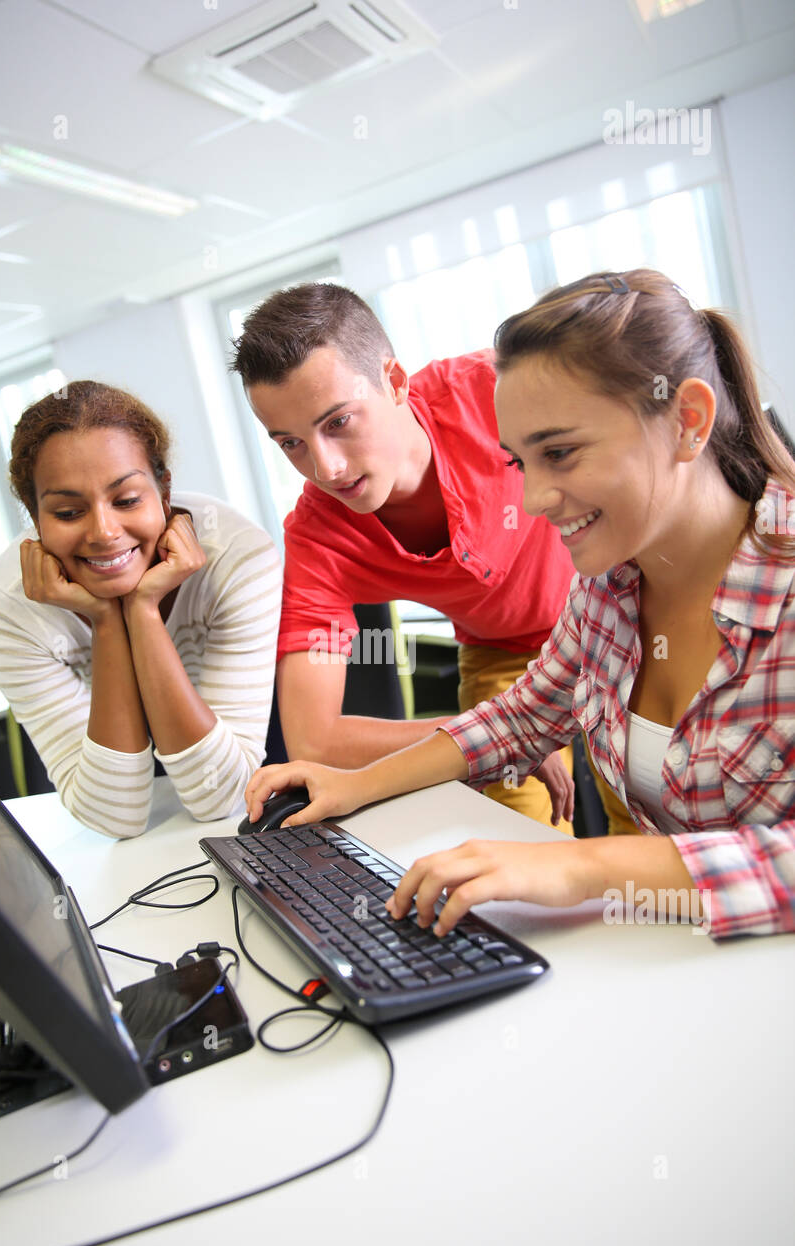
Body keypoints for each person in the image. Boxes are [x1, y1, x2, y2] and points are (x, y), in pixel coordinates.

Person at [244, 269, 795, 940]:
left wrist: (587, 867)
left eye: (560, 453)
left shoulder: (493, 393)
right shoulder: (612, 584)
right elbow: (520, 717)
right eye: (521, 463)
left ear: (687, 421)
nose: (532, 501)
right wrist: (356, 785)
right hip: (503, 648)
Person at [232, 282, 603, 835]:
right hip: (505, 657)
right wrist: (496, 728)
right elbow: (314, 741)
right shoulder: (316, 539)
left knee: (655, 821)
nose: (325, 468)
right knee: (524, 846)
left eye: (338, 422)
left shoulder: (497, 387)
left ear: (395, 382)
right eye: (291, 443)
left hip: (618, 613)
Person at [0, 381, 281, 838]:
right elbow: (113, 818)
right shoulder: (5, 613)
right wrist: (108, 621)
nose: (104, 531)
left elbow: (223, 798)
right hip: (142, 825)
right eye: (68, 512)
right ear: (35, 521)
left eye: (127, 500)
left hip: (252, 787)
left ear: (164, 492)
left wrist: (142, 609)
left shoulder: (237, 556)